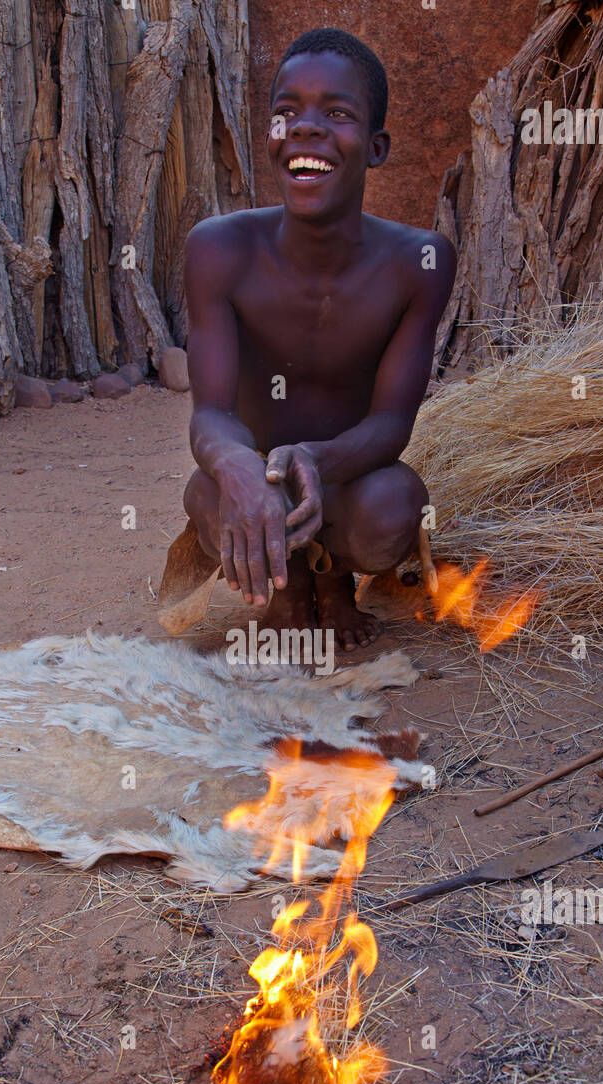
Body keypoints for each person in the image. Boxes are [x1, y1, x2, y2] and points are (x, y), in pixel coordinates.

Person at [176, 27, 455, 651]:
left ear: (377, 148)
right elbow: (212, 413)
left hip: (349, 483)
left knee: (397, 502)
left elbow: (391, 422)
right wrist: (239, 465)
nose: (304, 127)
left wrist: (316, 459)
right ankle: (288, 587)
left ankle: (338, 584)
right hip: (251, 487)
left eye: (336, 113)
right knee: (205, 493)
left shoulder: (421, 262)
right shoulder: (218, 248)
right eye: (285, 113)